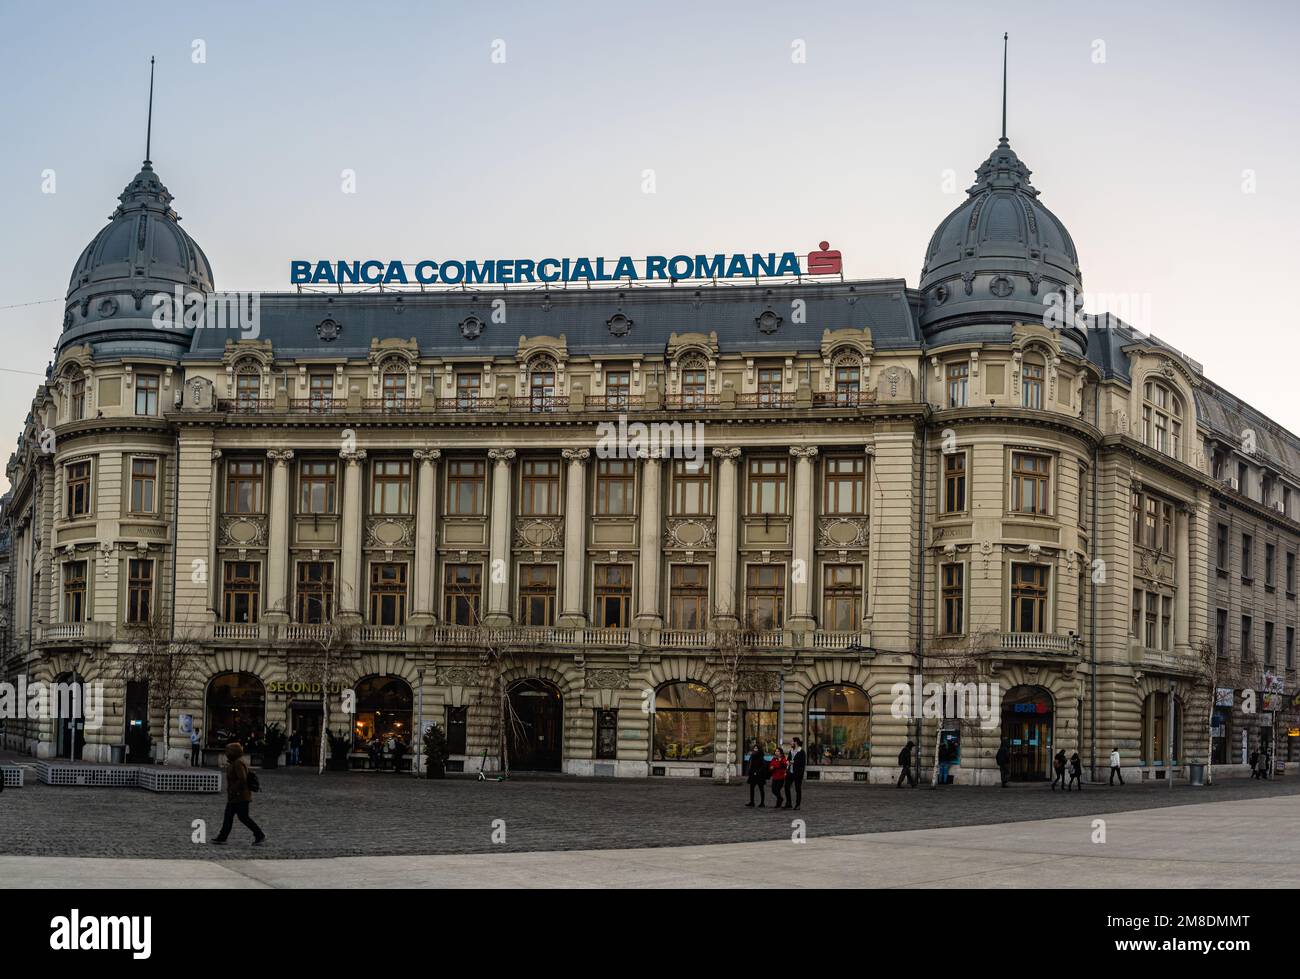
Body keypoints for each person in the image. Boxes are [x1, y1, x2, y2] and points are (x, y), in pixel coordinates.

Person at [212, 742, 266, 846]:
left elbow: (242, 779)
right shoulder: (234, 762)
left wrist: (233, 789)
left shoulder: (238, 763)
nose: (226, 753)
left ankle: (259, 834)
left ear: (233, 752)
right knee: (229, 816)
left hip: (240, 796)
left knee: (243, 817)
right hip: (235, 796)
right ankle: (222, 837)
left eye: (228, 751)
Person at [745, 741, 770, 807]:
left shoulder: (760, 756)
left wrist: (757, 772)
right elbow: (750, 765)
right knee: (751, 789)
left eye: (756, 748)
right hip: (752, 775)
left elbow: (763, 766)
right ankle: (752, 802)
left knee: (761, 789)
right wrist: (750, 772)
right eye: (754, 748)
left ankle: (762, 803)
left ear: (759, 749)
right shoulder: (752, 756)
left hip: (759, 776)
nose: (755, 749)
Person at [786, 737, 806, 810]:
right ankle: (788, 803)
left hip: (797, 773)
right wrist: (788, 761)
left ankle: (798, 805)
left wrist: (794, 762)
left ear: (796, 742)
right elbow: (788, 759)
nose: (790, 743)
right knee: (786, 787)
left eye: (792, 742)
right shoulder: (791, 751)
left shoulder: (801, 752)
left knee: (797, 789)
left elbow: (802, 763)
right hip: (790, 772)